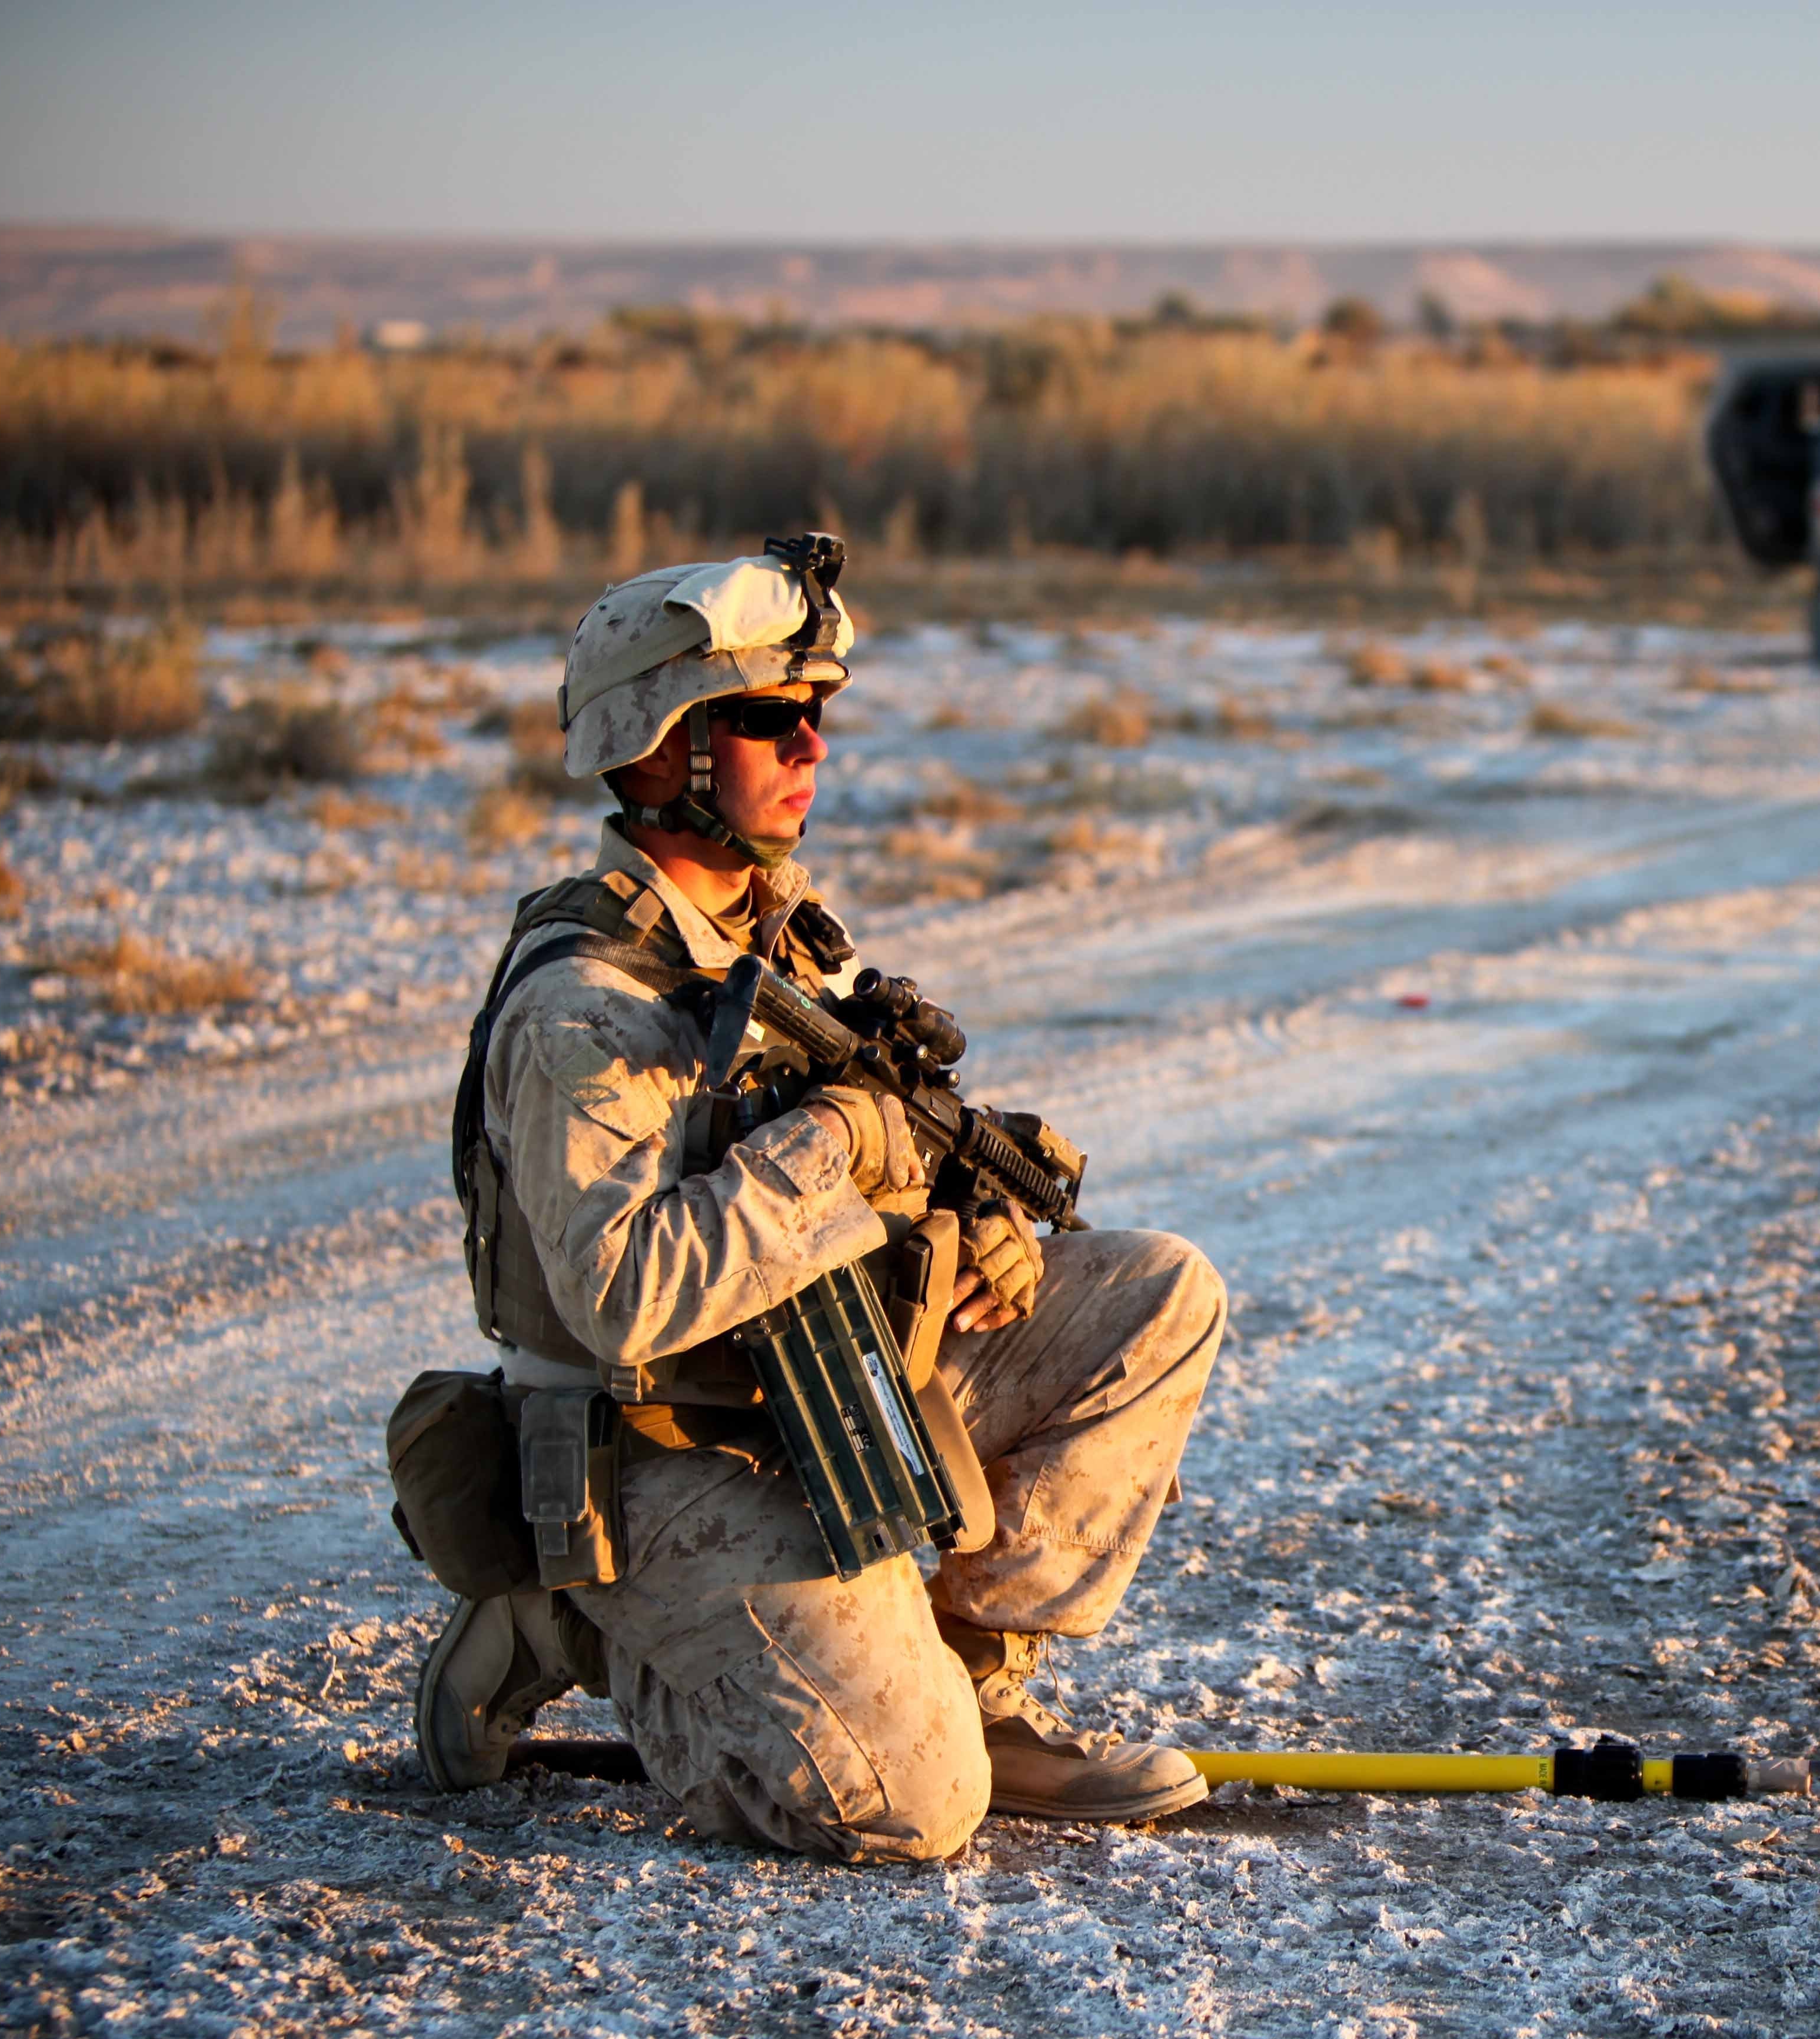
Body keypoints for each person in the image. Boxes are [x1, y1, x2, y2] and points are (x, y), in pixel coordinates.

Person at [414, 537, 1223, 1863]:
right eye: (766, 718)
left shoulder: (782, 935)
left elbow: (897, 1150)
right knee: (914, 1807)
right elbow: (624, 1298)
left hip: (811, 1384)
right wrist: (833, 1145)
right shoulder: (583, 1010)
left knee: (1158, 1295)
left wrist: (977, 1231)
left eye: (816, 713)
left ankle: (970, 1682)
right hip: (656, 1449)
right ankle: (566, 1623)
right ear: (660, 751)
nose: (812, 746)